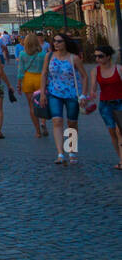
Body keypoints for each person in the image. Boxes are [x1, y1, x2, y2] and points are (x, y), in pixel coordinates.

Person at [36, 33, 88, 165]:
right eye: (54, 41)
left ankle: (71, 150)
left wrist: (83, 94)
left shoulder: (74, 58)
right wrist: (42, 93)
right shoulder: (49, 56)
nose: (56, 43)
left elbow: (84, 76)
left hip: (72, 94)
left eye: (59, 41)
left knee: (72, 123)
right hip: (54, 93)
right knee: (57, 121)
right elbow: (44, 74)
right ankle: (60, 153)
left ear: (65, 43)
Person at [88, 44, 122, 170]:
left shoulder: (119, 69)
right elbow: (93, 89)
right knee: (112, 131)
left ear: (108, 57)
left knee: (120, 131)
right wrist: (89, 97)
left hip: (119, 102)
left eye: (100, 56)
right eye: (95, 56)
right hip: (105, 105)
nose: (97, 59)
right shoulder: (95, 71)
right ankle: (120, 158)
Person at [17, 33, 48, 137]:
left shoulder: (22, 54)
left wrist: (19, 84)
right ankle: (43, 122)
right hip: (40, 79)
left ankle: (37, 131)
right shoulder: (43, 54)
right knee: (42, 103)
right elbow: (46, 69)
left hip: (28, 79)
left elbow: (21, 70)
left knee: (32, 106)